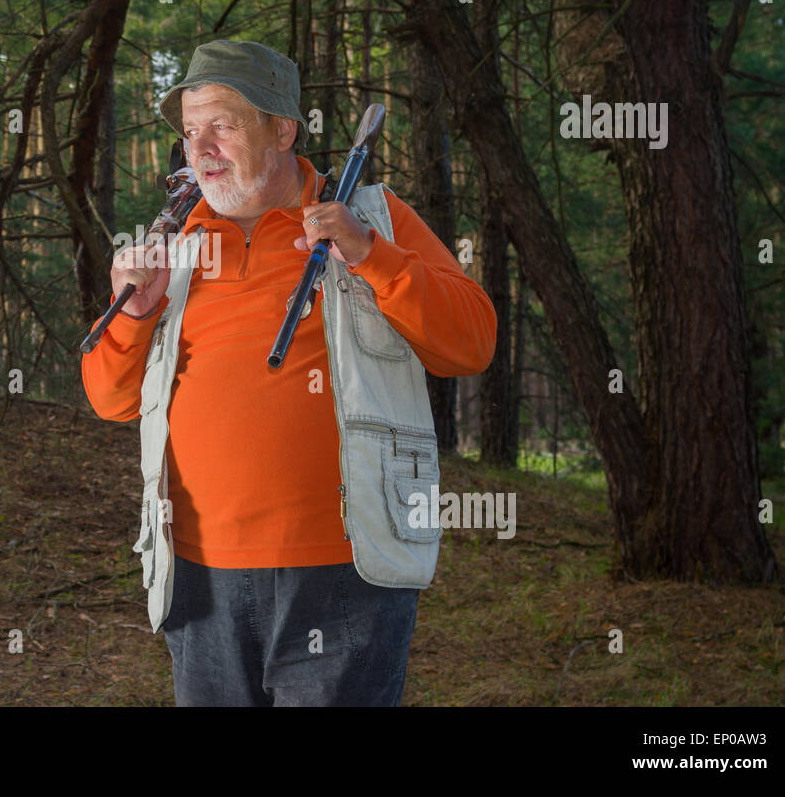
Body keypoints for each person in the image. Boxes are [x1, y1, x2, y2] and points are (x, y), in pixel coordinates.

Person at [81, 39, 496, 706]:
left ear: (282, 128)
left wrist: (370, 256)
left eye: (222, 123)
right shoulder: (172, 246)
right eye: (190, 132)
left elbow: (472, 342)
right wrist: (133, 313)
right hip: (196, 576)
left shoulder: (372, 218)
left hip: (344, 572)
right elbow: (109, 399)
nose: (201, 146)